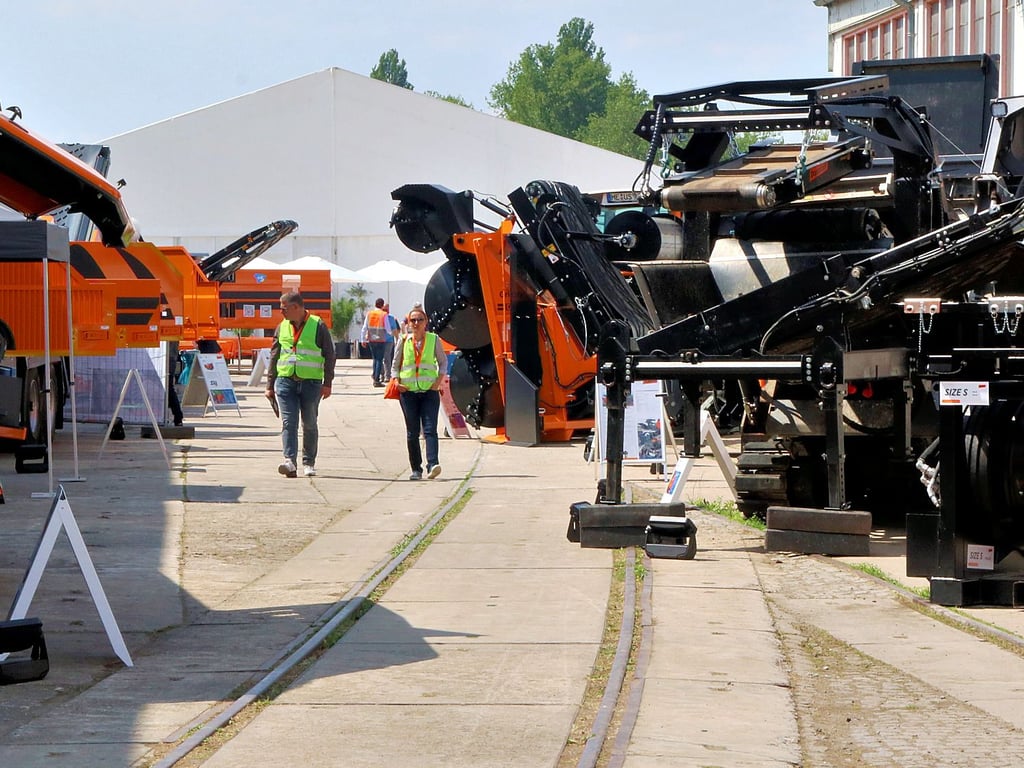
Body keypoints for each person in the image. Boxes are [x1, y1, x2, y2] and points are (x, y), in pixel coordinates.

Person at [265, 291, 336, 478]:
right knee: (289, 422)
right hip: (285, 380)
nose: (281, 312)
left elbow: (329, 354)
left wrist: (328, 382)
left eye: (284, 308)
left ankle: (308, 462)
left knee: (310, 423)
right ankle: (289, 461)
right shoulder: (282, 327)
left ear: (296, 307)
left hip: (311, 383)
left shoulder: (318, 325)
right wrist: (269, 385)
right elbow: (274, 355)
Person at [390, 304, 447, 480]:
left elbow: (443, 363)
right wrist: (396, 381)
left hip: (429, 391)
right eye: (412, 320)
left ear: (426, 322)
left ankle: (433, 464)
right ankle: (416, 469)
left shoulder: (433, 339)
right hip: (408, 393)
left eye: (419, 320)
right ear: (408, 323)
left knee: (430, 429)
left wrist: (437, 382)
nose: (416, 323)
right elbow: (395, 365)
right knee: (412, 432)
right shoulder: (404, 340)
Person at [360, 297, 389, 387]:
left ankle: (374, 375)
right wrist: (393, 334)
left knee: (375, 359)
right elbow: (388, 328)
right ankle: (376, 379)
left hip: (372, 340)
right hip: (381, 340)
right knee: (379, 360)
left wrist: (363, 340)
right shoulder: (384, 314)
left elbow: (364, 327)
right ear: (382, 305)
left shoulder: (369, 314)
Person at [382, 302, 400, 373]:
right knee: (380, 358)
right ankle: (381, 373)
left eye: (387, 309)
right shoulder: (380, 318)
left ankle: (387, 374)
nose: (386, 311)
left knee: (387, 358)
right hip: (380, 340)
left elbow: (395, 330)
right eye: (385, 309)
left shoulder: (391, 318)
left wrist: (398, 339)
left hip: (389, 341)